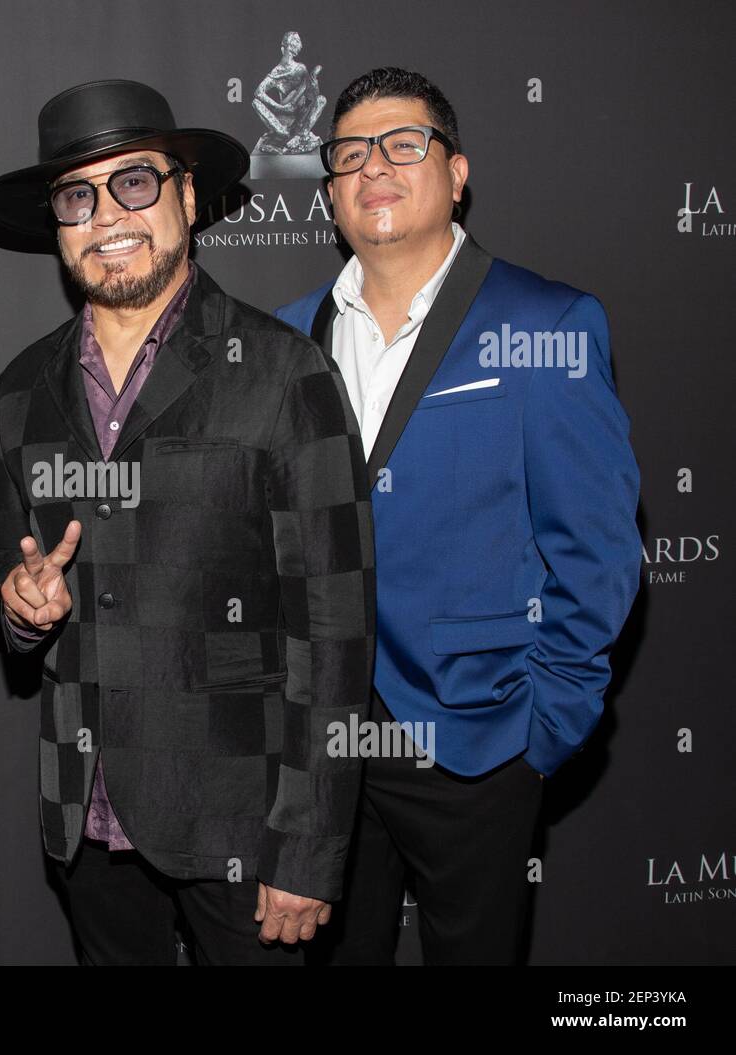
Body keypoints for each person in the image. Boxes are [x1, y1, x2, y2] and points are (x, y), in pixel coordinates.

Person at [0, 79, 375, 964]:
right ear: (56, 221)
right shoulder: (20, 388)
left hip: (245, 823)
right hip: (85, 815)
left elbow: (335, 628)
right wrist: (19, 604)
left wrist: (308, 845)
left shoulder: (282, 372)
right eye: (78, 194)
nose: (107, 214)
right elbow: (6, 572)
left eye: (135, 182)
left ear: (188, 196)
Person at [275, 67, 641, 964]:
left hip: (476, 737)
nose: (376, 167)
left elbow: (596, 552)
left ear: (458, 172)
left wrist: (540, 733)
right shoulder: (287, 339)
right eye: (351, 153)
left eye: (406, 145)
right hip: (326, 746)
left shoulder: (546, 322)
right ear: (329, 191)